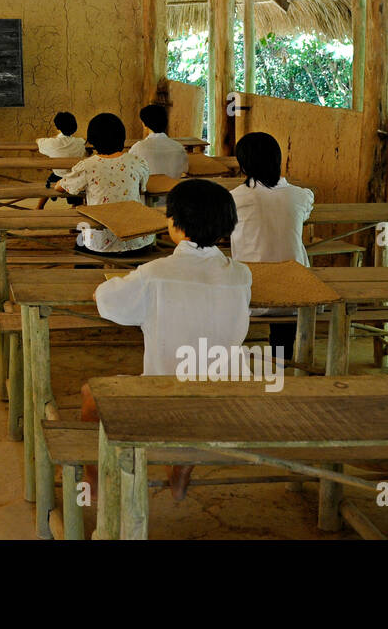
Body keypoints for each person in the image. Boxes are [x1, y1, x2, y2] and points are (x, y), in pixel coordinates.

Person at [82, 179, 251, 500]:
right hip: (226, 400)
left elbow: (109, 303)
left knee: (91, 394)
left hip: (164, 404)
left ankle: (92, 478)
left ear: (174, 224)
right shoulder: (242, 274)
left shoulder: (154, 273)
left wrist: (101, 290)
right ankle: (181, 471)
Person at [229, 131, 315, 365]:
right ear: (278, 160)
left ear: (243, 165)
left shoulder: (233, 199)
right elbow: (305, 208)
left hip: (252, 294)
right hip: (296, 294)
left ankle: (230, 351)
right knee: (286, 275)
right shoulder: (300, 196)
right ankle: (283, 356)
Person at [54, 113, 155, 255]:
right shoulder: (138, 162)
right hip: (138, 239)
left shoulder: (87, 166)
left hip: (102, 243)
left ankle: (83, 271)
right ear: (122, 137)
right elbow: (143, 187)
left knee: (80, 241)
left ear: (92, 139)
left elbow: (59, 188)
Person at [129, 103, 188, 178]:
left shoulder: (137, 148)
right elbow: (185, 169)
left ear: (144, 124)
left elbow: (131, 170)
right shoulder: (179, 148)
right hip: (172, 188)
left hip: (148, 189)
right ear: (166, 122)